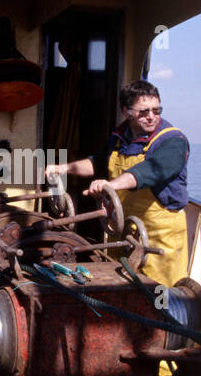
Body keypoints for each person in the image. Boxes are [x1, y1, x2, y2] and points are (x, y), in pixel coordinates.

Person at [45, 80, 190, 287]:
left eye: (157, 110)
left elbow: (148, 171)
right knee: (118, 281)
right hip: (124, 229)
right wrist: (64, 169)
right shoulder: (121, 137)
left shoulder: (173, 141)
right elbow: (98, 162)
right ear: (127, 112)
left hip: (161, 234)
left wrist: (110, 185)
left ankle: (165, 319)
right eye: (144, 111)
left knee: (159, 293)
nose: (151, 116)